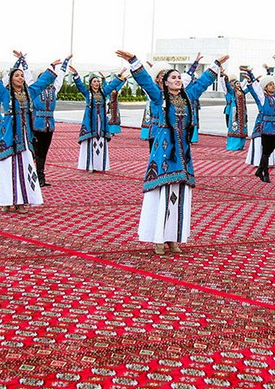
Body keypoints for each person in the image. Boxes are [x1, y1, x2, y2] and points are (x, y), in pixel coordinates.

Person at [116, 49, 226, 255]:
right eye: (173, 78)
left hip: (182, 154)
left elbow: (202, 83)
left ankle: (173, 238)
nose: (177, 80)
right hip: (164, 154)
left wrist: (216, 65)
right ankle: (158, 238)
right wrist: (133, 60)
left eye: (179, 77)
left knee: (179, 195)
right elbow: (145, 81)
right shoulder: (159, 97)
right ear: (165, 82)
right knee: (163, 195)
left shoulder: (188, 96)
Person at [0, 53, 61, 213]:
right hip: (8, 136)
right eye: (17, 75)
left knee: (24, 168)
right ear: (11, 79)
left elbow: (42, 82)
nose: (20, 78)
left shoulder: (30, 93)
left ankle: (21, 202)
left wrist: (52, 66)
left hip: (25, 139)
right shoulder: (5, 93)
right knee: (6, 169)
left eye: (22, 76)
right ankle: (6, 201)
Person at [22, 54, 70, 187]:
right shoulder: (34, 89)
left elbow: (60, 78)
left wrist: (65, 63)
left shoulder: (54, 90)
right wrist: (23, 61)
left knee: (44, 152)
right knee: (36, 151)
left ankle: (40, 176)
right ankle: (35, 176)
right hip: (37, 124)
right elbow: (28, 76)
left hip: (50, 125)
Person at [71, 64, 125, 172]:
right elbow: (80, 85)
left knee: (100, 141)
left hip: (101, 121)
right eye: (94, 81)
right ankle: (90, 165)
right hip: (91, 121)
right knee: (91, 141)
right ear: (90, 83)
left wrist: (119, 75)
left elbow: (112, 85)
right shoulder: (88, 93)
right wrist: (76, 75)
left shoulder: (103, 93)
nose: (96, 83)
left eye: (97, 81)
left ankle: (100, 165)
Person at [243, 68, 275, 183]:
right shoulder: (263, 98)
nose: (272, 86)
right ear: (265, 87)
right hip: (266, 127)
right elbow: (256, 87)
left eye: (273, 84)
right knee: (266, 151)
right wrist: (251, 74)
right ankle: (265, 173)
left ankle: (259, 170)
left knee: (270, 150)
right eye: (270, 85)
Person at [222, 72, 248, 151]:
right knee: (234, 127)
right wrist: (225, 78)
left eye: (239, 83)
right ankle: (233, 145)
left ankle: (240, 145)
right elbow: (226, 86)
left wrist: (251, 80)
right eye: (237, 83)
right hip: (234, 112)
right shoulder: (232, 92)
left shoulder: (242, 92)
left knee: (242, 128)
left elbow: (249, 88)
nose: (238, 84)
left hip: (242, 113)